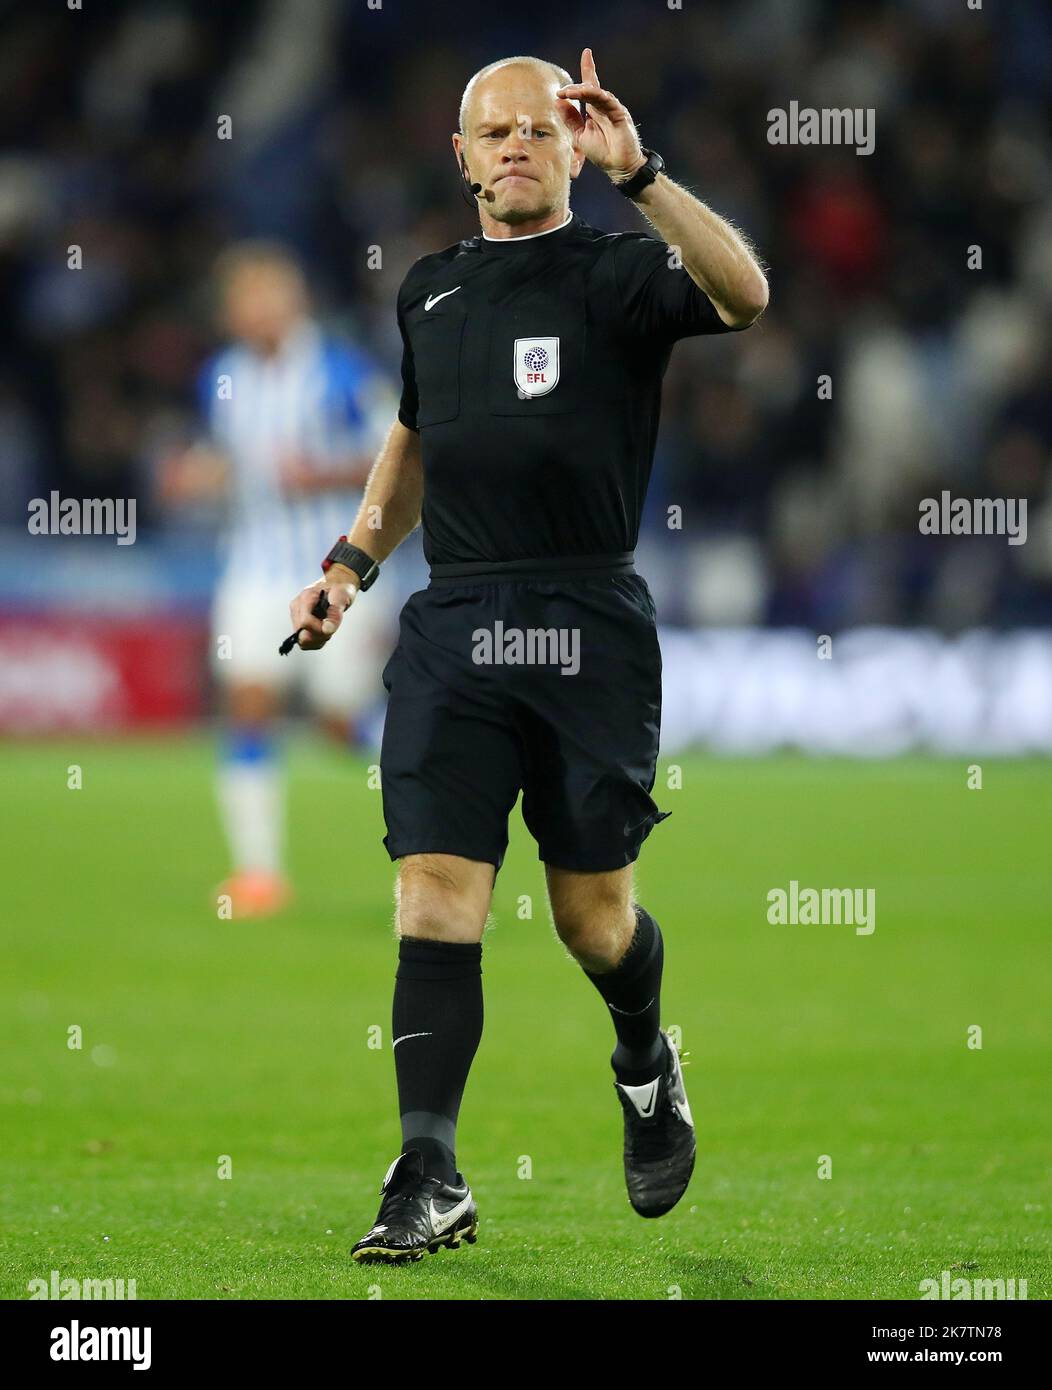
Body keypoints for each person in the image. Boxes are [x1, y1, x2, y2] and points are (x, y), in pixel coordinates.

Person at [288, 48, 768, 1262]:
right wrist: (350, 563)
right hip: (454, 623)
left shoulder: (617, 273)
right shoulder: (429, 291)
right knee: (432, 897)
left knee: (591, 920)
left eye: (538, 130)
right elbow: (413, 440)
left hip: (585, 625)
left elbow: (745, 296)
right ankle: (427, 1168)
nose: (514, 144)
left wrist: (645, 175)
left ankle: (645, 1062)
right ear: (460, 158)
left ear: (570, 147)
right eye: (491, 131)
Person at [164, 243, 395, 917]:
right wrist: (200, 477)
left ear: (295, 302)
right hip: (253, 568)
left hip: (335, 568)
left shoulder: (340, 370)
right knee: (247, 702)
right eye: (245, 301)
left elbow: (398, 460)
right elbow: (231, 461)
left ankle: (441, 775)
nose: (257, 312)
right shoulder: (222, 378)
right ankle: (259, 874)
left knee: (337, 720)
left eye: (269, 297)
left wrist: (322, 473)